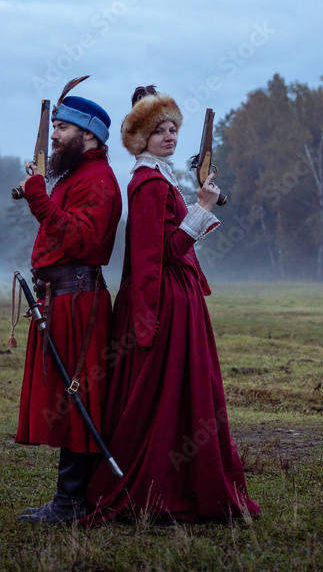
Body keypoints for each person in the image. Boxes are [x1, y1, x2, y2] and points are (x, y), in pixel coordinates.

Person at [83, 86, 260, 525]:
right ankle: (158, 489)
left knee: (179, 395)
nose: (169, 137)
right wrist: (202, 207)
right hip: (164, 302)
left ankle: (176, 483)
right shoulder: (147, 184)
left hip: (175, 298)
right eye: (159, 131)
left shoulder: (158, 178)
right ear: (140, 139)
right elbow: (159, 254)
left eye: (172, 129)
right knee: (164, 397)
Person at [14, 84, 122, 524]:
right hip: (62, 298)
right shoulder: (76, 176)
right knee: (68, 395)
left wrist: (38, 198)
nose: (54, 136)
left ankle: (71, 503)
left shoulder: (98, 180)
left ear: (89, 135)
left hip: (79, 303)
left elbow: (80, 239)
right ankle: (71, 499)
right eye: (54, 126)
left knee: (78, 398)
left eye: (62, 128)